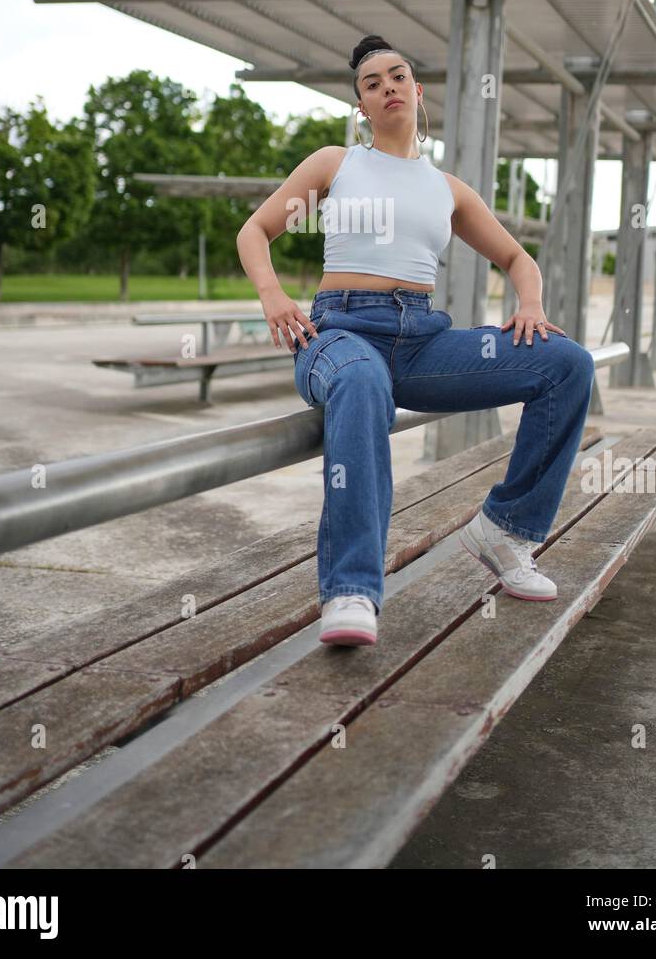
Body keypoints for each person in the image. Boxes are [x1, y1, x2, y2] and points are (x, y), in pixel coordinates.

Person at [236, 34, 596, 647]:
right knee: (361, 379)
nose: (387, 88)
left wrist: (529, 304)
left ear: (417, 91)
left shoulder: (448, 188)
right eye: (371, 84)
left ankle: (506, 530)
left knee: (567, 364)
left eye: (396, 76)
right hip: (342, 332)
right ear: (362, 108)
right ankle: (351, 589)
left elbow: (516, 257)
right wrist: (273, 296)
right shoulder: (336, 163)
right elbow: (256, 230)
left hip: (423, 340)